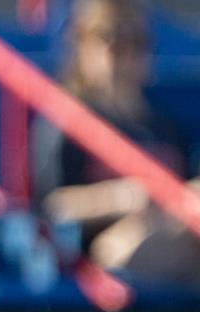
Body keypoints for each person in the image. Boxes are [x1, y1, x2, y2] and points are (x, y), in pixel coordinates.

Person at [34, 0, 200, 285]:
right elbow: (51, 208)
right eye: (108, 36)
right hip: (105, 252)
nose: (122, 51)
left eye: (136, 41)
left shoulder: (163, 126)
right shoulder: (68, 123)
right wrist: (120, 197)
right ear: (82, 44)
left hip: (173, 232)